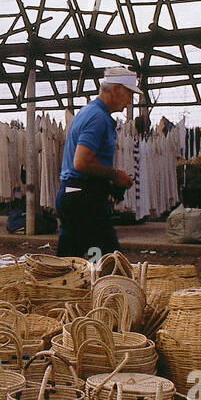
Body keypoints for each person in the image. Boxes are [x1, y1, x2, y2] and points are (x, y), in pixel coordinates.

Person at [55, 66, 139, 259]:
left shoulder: (89, 112)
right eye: (128, 94)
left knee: (71, 260)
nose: (129, 101)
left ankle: (67, 285)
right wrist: (115, 175)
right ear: (116, 89)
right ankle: (105, 284)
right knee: (105, 259)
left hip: (74, 194)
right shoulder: (97, 118)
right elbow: (81, 163)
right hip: (83, 199)